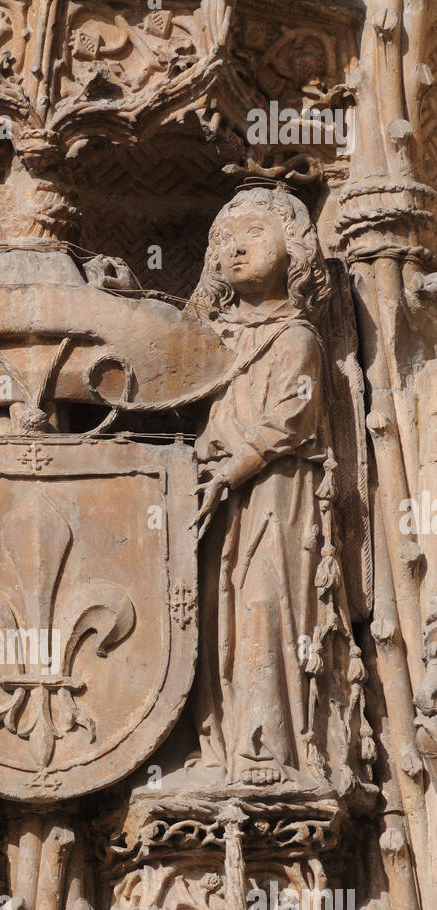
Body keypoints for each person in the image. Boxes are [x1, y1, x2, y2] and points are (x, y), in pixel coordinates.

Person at [185, 185, 339, 788]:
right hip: (214, 494)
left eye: (252, 233)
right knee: (213, 608)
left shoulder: (297, 338)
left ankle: (269, 743)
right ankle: (219, 738)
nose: (234, 248)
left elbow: (290, 420)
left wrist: (232, 466)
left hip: (275, 492)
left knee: (264, 602)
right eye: (223, 240)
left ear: (294, 249)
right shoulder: (208, 339)